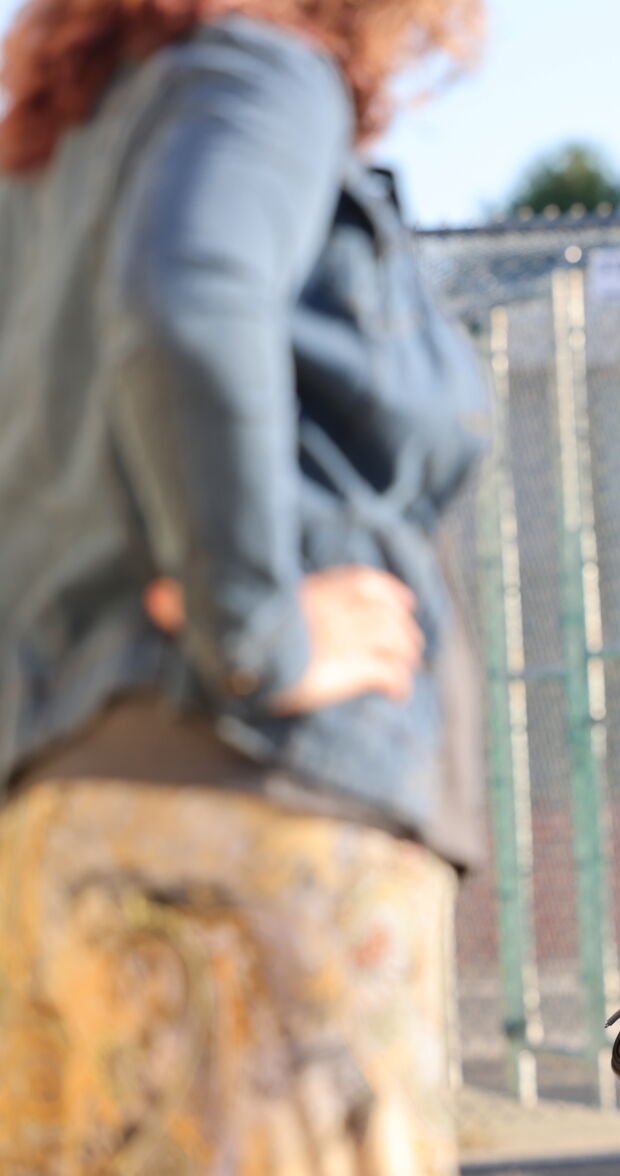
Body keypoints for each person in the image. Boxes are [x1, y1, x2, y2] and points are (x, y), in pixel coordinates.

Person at [0, 2, 486, 1172]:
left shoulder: (48, 155)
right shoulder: (262, 73)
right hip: (263, 821)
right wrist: (258, 634)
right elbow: (186, 296)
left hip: (57, 838)